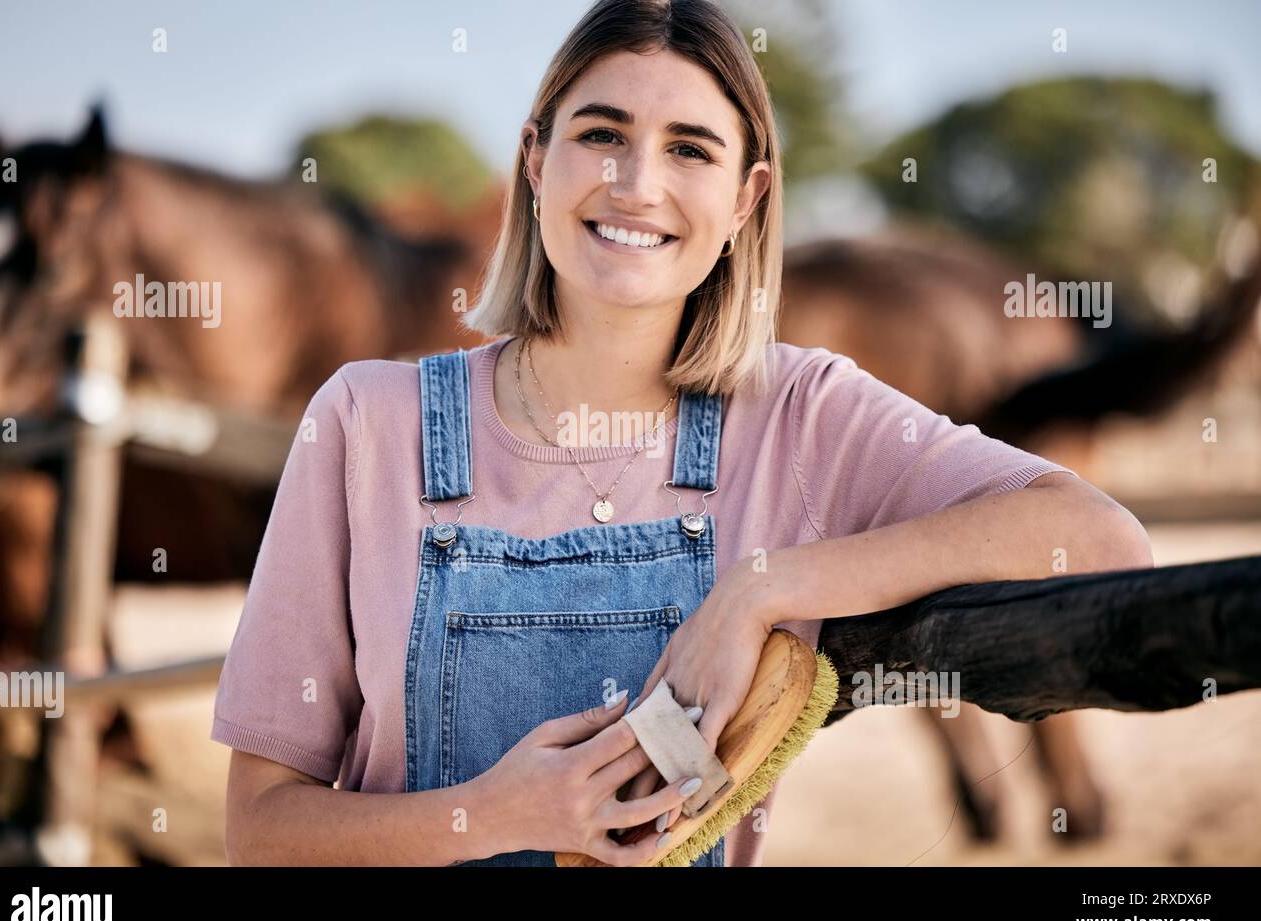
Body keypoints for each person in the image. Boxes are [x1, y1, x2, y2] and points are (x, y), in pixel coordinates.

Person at [211, 0, 1153, 866]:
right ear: (535, 163)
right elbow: (260, 828)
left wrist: (764, 585)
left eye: (690, 149)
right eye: (601, 134)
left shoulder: (800, 414)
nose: (636, 183)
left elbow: (1102, 537)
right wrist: (497, 815)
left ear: (746, 201)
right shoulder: (365, 422)